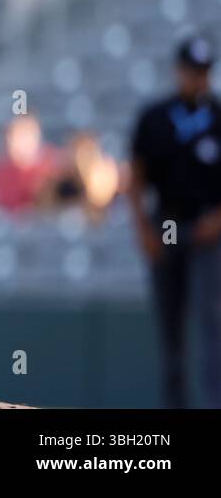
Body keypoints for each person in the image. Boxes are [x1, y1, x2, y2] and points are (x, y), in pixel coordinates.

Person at [128, 35, 221, 408]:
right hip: (165, 226)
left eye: (203, 72)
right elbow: (134, 176)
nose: (197, 79)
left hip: (211, 232)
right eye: (191, 71)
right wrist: (143, 230)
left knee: (212, 323)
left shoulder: (218, 116)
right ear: (178, 71)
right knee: (171, 328)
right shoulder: (156, 118)